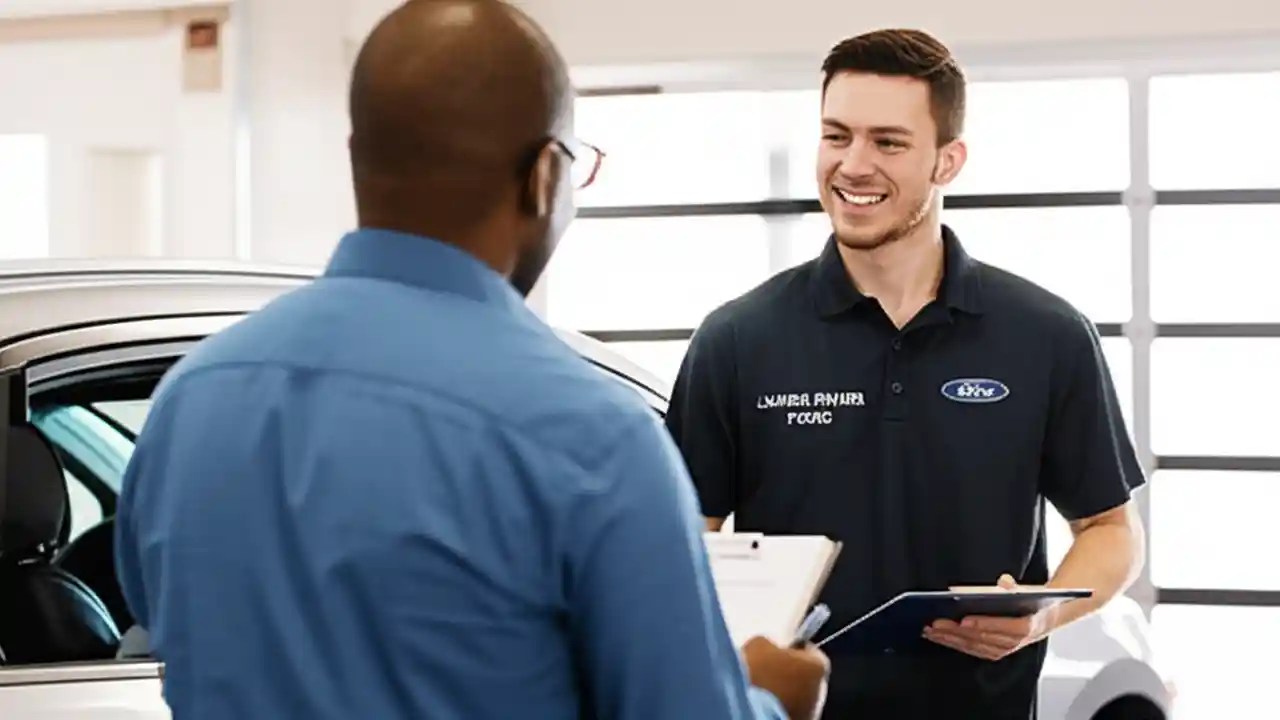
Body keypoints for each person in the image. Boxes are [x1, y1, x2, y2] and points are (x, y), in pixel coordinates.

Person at [112, 1, 829, 718]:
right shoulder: (588, 435)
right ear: (545, 176)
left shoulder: (191, 400)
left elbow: (160, 627)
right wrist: (771, 699)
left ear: (359, 155)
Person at [664, 28, 1146, 720]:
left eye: (888, 143)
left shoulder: (1046, 335)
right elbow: (683, 550)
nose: (853, 165)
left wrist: (1040, 620)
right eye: (836, 136)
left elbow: (1111, 530)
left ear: (948, 162)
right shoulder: (736, 339)